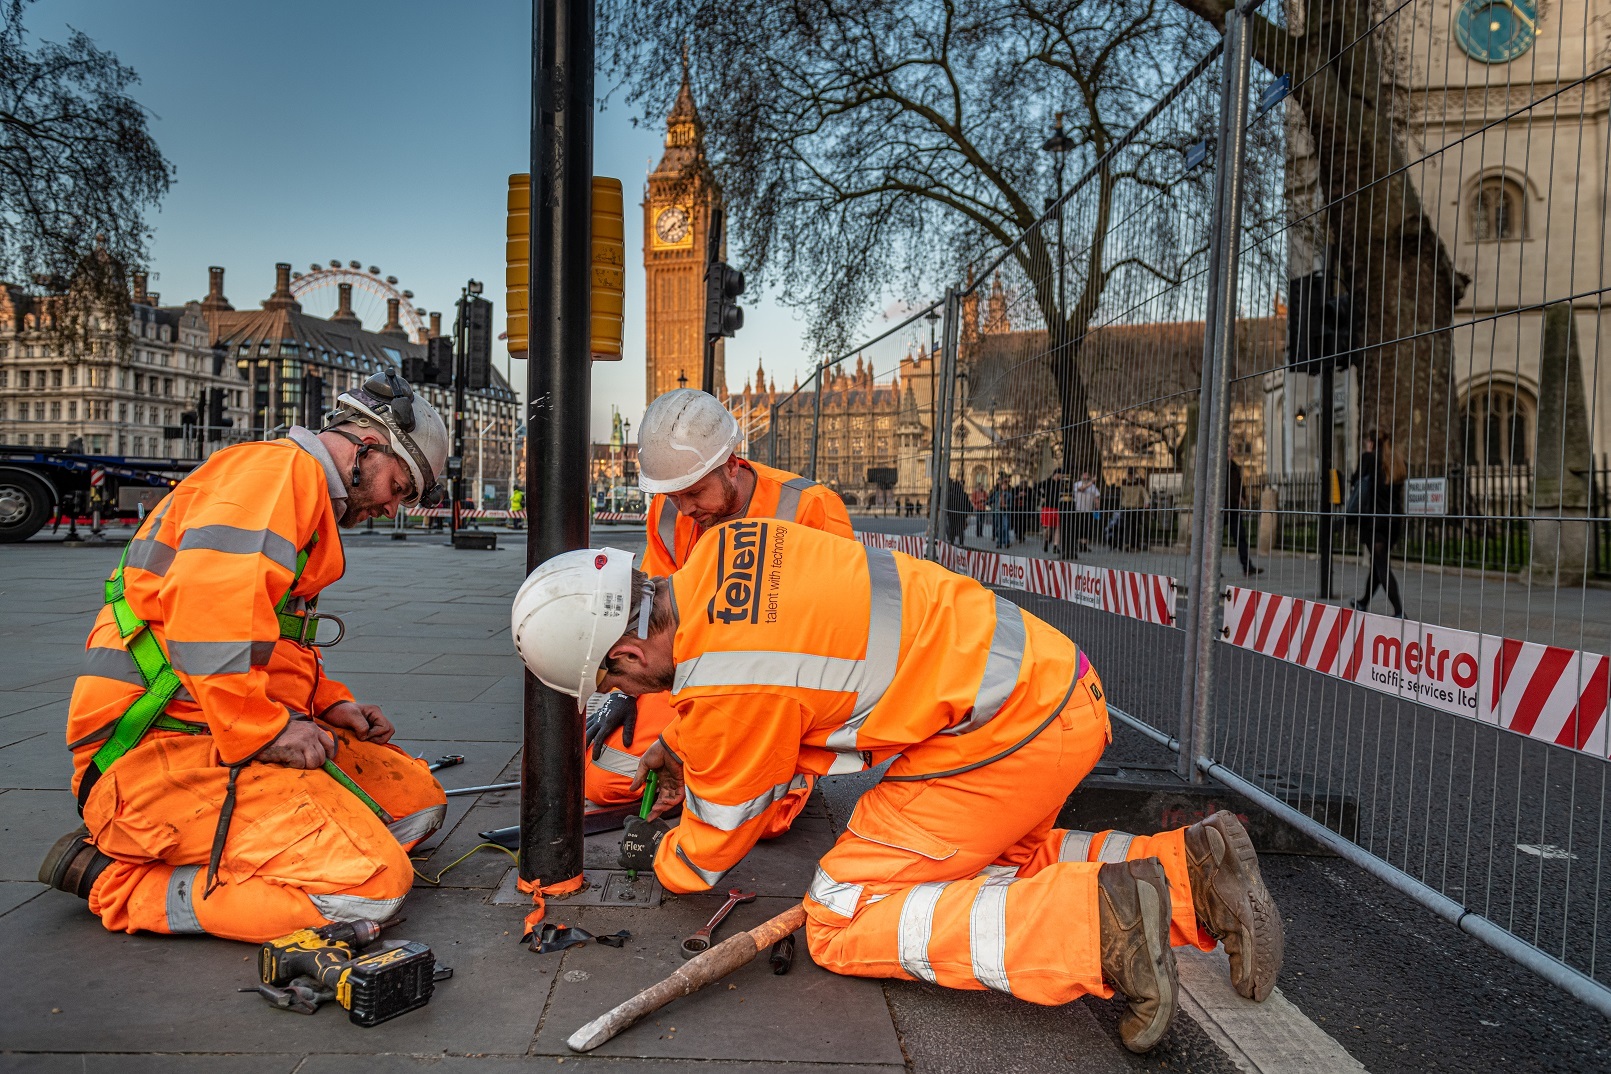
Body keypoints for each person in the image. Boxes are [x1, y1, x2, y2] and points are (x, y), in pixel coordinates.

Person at [511, 525, 1285, 1055]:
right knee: (985, 869)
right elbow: (795, 645)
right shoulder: (725, 549)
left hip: (1000, 730)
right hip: (1051, 688)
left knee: (846, 917)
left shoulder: (726, 689)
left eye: (614, 676)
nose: (627, 687)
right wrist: (680, 742)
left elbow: (709, 848)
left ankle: (1096, 926)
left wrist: (662, 859)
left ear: (623, 647)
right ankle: (1193, 873)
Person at [38, 371, 451, 943]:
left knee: (416, 803)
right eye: (400, 487)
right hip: (156, 749)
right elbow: (208, 610)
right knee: (371, 886)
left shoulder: (293, 488)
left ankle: (252, 850)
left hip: (204, 728)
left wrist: (330, 704)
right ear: (370, 447)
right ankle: (119, 882)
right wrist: (263, 732)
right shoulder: (277, 474)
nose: (392, 507)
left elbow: (261, 637)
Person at [582, 388, 851, 824]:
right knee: (604, 780)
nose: (685, 509)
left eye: (694, 492)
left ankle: (721, 778)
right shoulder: (669, 512)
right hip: (690, 672)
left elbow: (827, 638)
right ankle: (704, 776)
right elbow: (652, 616)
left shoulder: (810, 509)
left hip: (778, 689)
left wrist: (689, 735)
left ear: (731, 464)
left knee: (765, 817)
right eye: (673, 496)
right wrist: (632, 689)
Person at [1350, 427, 1406, 616]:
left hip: (1374, 522)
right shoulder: (1397, 461)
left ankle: (1399, 611)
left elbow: (1356, 481)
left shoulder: (1370, 458)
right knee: (1377, 563)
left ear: (1372, 442)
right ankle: (1363, 602)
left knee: (1381, 566)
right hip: (1394, 522)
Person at [1224, 459, 1262, 577]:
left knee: (1240, 537)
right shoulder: (1218, 466)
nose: (1230, 454)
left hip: (1234, 507)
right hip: (1221, 508)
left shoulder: (1235, 467)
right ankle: (1211, 569)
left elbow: (1239, 484)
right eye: (1229, 451)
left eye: (1231, 451)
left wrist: (1242, 497)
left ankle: (1247, 566)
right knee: (1214, 541)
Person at [1074, 471, 1100, 551]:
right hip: (1078, 509)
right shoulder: (1077, 484)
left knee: (1087, 528)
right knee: (1078, 528)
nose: (1085, 476)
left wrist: (1097, 507)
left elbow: (1096, 497)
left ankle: (1084, 545)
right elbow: (1081, 489)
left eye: (1087, 474)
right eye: (1084, 474)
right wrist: (1092, 481)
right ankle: (1078, 544)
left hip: (1088, 510)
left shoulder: (1093, 487)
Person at [988, 474, 1013, 548]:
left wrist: (1006, 506)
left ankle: (1006, 542)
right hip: (998, 512)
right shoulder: (997, 493)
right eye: (1003, 485)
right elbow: (991, 500)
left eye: (1005, 485)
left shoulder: (1009, 495)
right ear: (1001, 486)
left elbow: (1010, 505)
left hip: (1005, 512)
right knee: (999, 528)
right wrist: (988, 504)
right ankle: (999, 543)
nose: (1004, 486)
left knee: (1005, 527)